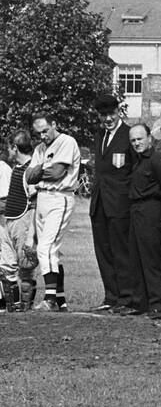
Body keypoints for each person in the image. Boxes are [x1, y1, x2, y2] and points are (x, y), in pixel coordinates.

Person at [89, 93, 139, 313]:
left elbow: (135, 171)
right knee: (103, 251)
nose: (107, 119)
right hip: (99, 202)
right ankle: (111, 295)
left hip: (120, 204)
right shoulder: (99, 135)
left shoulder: (129, 135)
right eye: (103, 115)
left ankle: (126, 298)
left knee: (121, 251)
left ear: (118, 111)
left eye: (110, 113)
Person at [27, 114, 81, 312]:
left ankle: (49, 298)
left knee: (46, 248)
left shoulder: (67, 141)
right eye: (38, 133)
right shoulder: (40, 148)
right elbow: (29, 176)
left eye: (45, 130)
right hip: (42, 197)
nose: (42, 136)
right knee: (51, 251)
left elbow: (57, 173)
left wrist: (39, 170)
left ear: (54, 125)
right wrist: (41, 171)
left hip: (60, 196)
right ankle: (60, 300)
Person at [124, 123, 161, 318]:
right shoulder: (137, 161)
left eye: (140, 139)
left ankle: (156, 305)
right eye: (133, 140)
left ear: (149, 138)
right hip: (136, 211)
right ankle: (139, 302)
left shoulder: (156, 160)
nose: (136, 143)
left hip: (152, 211)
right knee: (135, 258)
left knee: (151, 260)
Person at [1, 130, 37, 312]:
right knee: (7, 265)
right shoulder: (16, 169)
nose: (7, 151)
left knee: (25, 266)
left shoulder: (31, 170)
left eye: (9, 147)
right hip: (10, 221)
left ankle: (25, 307)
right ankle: (13, 306)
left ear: (15, 147)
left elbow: (35, 203)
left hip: (23, 221)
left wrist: (31, 231)